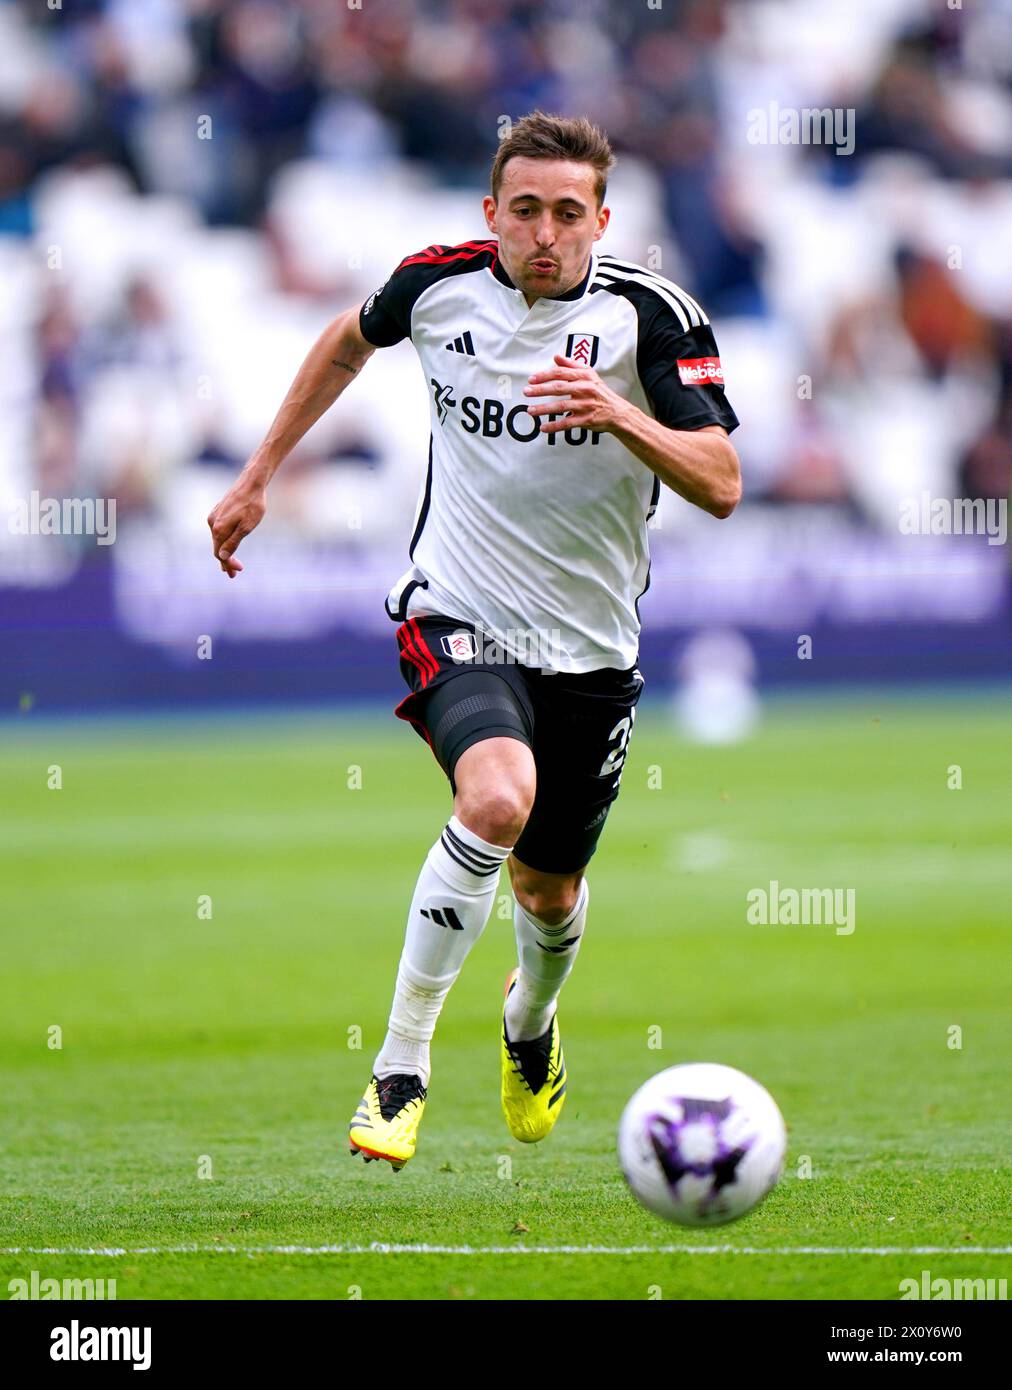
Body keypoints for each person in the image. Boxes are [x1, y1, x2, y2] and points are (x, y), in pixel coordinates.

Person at [207, 111, 741, 1171]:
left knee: (548, 895)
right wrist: (259, 472)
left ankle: (529, 1025)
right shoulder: (437, 284)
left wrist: (620, 414)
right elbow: (346, 341)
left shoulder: (653, 318)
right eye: (526, 210)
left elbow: (721, 482)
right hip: (456, 611)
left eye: (568, 214)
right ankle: (400, 1065)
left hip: (590, 650)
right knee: (494, 798)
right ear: (491, 212)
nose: (546, 233)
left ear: (602, 219)